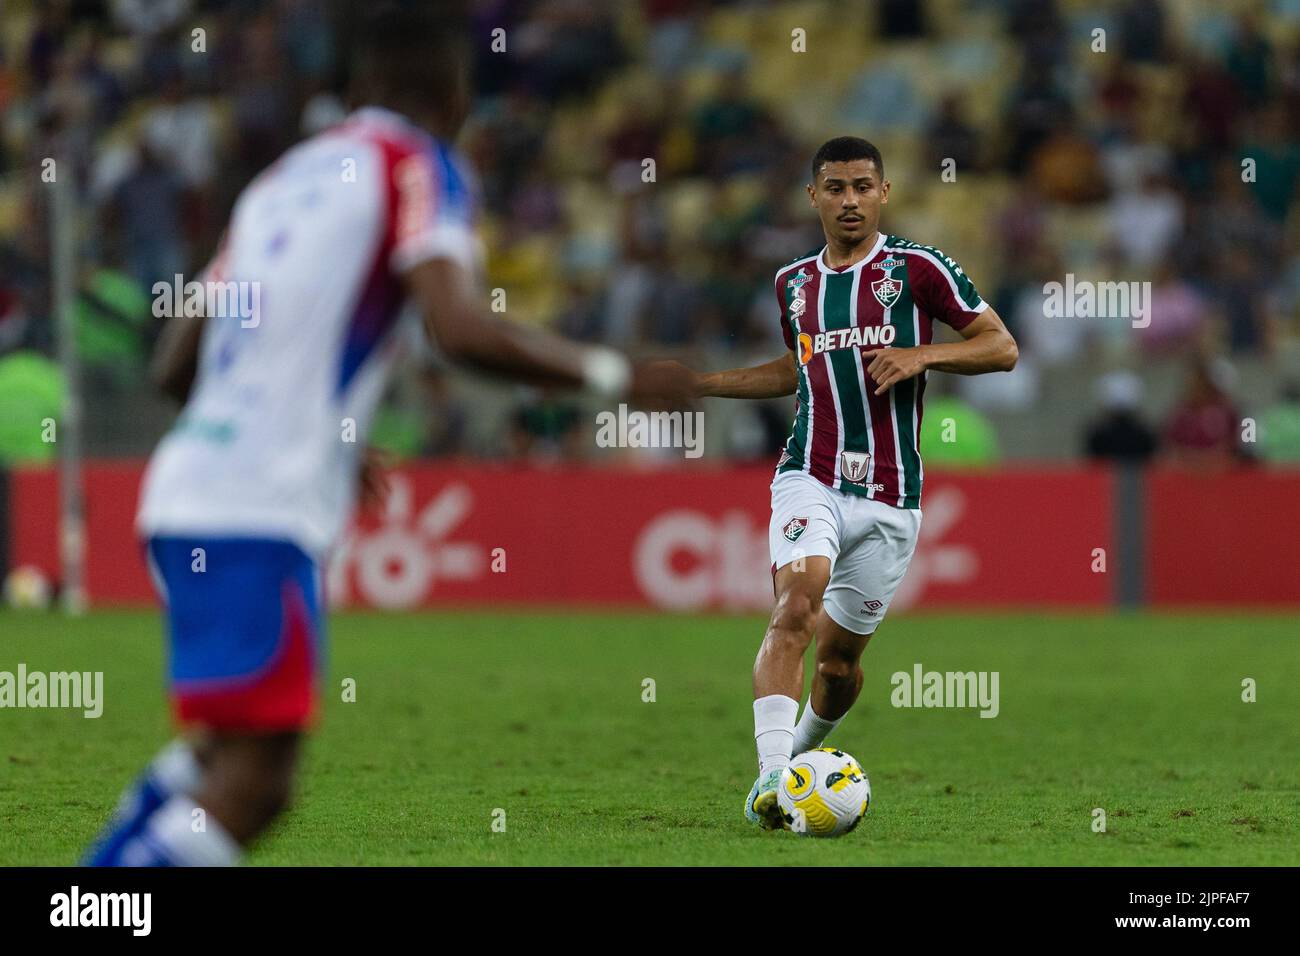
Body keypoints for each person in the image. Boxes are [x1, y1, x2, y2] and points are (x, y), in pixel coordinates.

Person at [82, 5, 691, 867]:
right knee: (256, 784)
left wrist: (323, 431)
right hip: (257, 511)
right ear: (453, 98)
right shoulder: (416, 163)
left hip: (188, 489)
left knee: (221, 755)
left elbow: (176, 362)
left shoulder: (276, 183)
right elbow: (458, 327)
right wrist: (618, 376)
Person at [650, 137, 1017, 829]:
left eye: (862, 186)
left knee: (840, 667)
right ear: (813, 197)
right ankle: (769, 781)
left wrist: (922, 354)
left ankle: (797, 765)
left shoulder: (917, 269)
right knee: (795, 606)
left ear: (884, 194)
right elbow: (797, 372)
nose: (850, 200)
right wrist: (700, 383)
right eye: (835, 187)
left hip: (890, 496)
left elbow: (1001, 346)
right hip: (808, 473)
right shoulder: (793, 283)